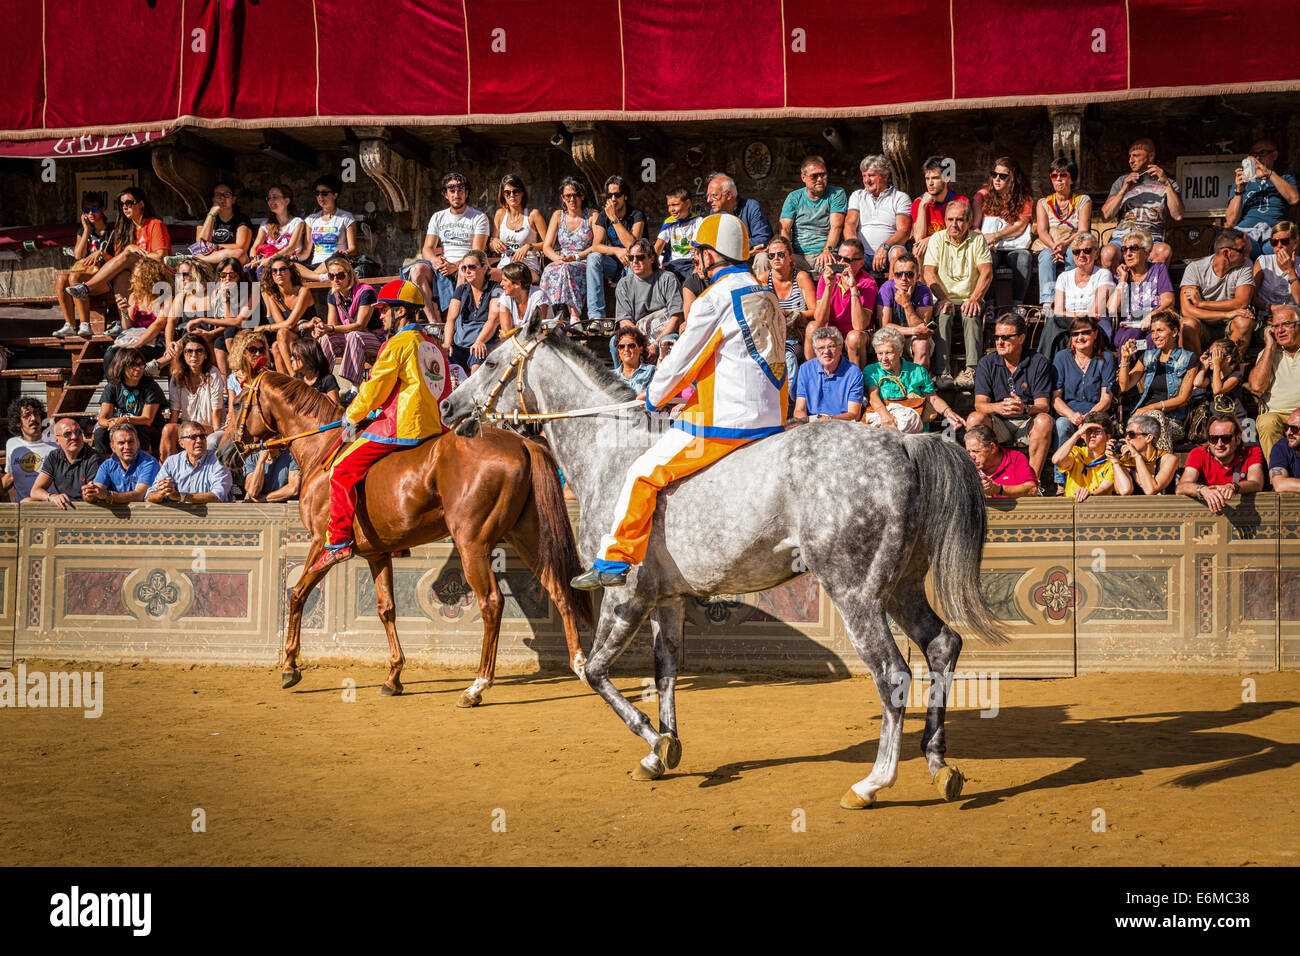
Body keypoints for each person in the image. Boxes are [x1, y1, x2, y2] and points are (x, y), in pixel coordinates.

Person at [572, 213, 786, 589]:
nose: (696, 262)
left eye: (698, 254)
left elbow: (682, 361)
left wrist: (653, 398)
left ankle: (614, 561)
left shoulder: (713, 299)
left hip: (726, 422)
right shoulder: (764, 292)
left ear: (709, 256)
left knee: (641, 472)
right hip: (771, 417)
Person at [308, 279, 452, 571]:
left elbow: (375, 390)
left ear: (401, 312)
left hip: (402, 426)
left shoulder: (397, 343)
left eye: (385, 310)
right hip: (436, 426)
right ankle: (394, 542)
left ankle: (336, 542)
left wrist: (352, 416)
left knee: (342, 470)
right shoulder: (431, 345)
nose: (381, 315)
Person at [968, 313, 1054, 479]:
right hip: (999, 423)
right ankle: (982, 478)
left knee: (1044, 420)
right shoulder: (987, 363)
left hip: (1028, 422)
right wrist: (998, 407)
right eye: (997, 337)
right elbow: (979, 404)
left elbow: (1044, 405)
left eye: (1006, 337)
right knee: (974, 419)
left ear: (1021, 338)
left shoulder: (1038, 361)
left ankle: (1031, 482)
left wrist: (1025, 408)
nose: (1000, 342)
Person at [923, 200, 992, 389]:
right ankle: (942, 373)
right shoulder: (937, 238)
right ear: (945, 220)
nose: (954, 224)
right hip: (944, 296)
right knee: (943, 315)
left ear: (969, 221)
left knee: (971, 314)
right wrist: (943, 297)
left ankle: (972, 370)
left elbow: (986, 272)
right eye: (950, 219)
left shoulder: (978, 239)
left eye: (960, 220)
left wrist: (975, 298)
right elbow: (929, 272)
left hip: (971, 297)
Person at [406, 171, 487, 324]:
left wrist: (455, 266)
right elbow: (427, 249)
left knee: (465, 270)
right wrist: (435, 260)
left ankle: (454, 324)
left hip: (465, 264)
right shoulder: (438, 217)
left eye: (460, 190)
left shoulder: (478, 217)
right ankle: (435, 323)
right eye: (452, 190)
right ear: (446, 194)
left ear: (466, 193)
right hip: (443, 266)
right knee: (416, 270)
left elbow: (477, 253)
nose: (456, 194)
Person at [66, 187, 171, 305]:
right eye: (122, 204)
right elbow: (117, 263)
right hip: (135, 275)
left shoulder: (154, 224)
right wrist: (120, 251)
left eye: (129, 203)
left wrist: (131, 253)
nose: (125, 207)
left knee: (127, 255)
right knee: (121, 275)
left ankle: (86, 288)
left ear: (141, 204)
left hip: (158, 274)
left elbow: (161, 258)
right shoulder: (125, 231)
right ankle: (125, 321)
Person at [1099, 137, 1184, 273]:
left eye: (1136, 156)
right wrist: (1123, 190)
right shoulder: (1122, 181)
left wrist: (1166, 184)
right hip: (1123, 237)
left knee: (1163, 251)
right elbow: (1105, 216)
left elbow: (1178, 215)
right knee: (1108, 253)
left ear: (1150, 157)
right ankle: (1112, 292)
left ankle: (1153, 292)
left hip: (1151, 238)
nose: (1130, 160)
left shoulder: (1169, 183)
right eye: (1130, 156)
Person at [1051, 318, 1116, 489]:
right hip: (1070, 414)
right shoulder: (1062, 357)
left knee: (1098, 428)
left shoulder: (1106, 358)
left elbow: (1106, 399)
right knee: (1061, 425)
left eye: (1085, 332)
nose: (1080, 337)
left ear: (1095, 334)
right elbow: (1056, 398)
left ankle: (1100, 478)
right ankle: (1060, 482)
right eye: (1075, 334)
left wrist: (1090, 417)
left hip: (1097, 413)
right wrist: (1071, 415)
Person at [1118, 308, 1196, 451]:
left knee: (1155, 418)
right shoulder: (1148, 356)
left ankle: (1163, 470)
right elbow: (1125, 386)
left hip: (1172, 422)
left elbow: (1183, 399)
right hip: (1141, 419)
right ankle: (1156, 469)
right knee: (1146, 424)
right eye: (1152, 331)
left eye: (1160, 330)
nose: (1155, 336)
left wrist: (1149, 408)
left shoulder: (1188, 358)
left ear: (1174, 332)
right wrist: (1125, 359)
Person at [861, 327, 961, 433]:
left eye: (889, 353)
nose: (884, 358)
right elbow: (873, 396)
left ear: (900, 352)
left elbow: (932, 398)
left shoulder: (917, 371)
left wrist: (948, 412)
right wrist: (885, 415)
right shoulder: (872, 370)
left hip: (914, 428)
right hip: (886, 424)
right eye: (880, 353)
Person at [1179, 227, 1255, 354]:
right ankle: (1197, 369)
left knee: (1244, 322)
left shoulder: (1245, 264)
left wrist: (1202, 304)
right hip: (1203, 324)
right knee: (1187, 324)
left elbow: (1241, 303)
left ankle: (1227, 368)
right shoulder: (1195, 268)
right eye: (1242, 250)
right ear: (1226, 252)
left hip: (1229, 325)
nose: (1247, 254)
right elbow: (1187, 310)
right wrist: (1226, 314)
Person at [584, 175, 647, 325]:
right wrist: (617, 251)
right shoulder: (602, 216)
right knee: (593, 258)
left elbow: (632, 245)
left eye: (617, 195)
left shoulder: (636, 215)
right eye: (609, 195)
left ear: (625, 196)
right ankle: (596, 317)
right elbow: (596, 245)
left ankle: (630, 317)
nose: (613, 199)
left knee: (633, 260)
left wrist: (614, 220)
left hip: (635, 263)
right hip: (615, 263)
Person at [972, 156, 1034, 306]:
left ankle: (1016, 304)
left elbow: (1020, 226)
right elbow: (974, 226)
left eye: (1002, 176)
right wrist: (985, 240)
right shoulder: (982, 195)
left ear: (1013, 178)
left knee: (1024, 258)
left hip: (1015, 246)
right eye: (994, 175)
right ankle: (990, 303)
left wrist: (995, 236)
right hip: (991, 246)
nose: (997, 179)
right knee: (987, 260)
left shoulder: (1024, 198)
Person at [539, 177, 600, 325]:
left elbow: (597, 245)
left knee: (566, 269)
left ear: (582, 196)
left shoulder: (592, 215)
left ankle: (574, 316)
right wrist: (557, 258)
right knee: (548, 270)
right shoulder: (558, 216)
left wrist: (575, 257)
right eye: (568, 196)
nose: (572, 199)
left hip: (583, 259)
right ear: (563, 198)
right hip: (562, 259)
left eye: (576, 195)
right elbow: (547, 246)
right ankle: (546, 315)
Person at [1176, 413, 1266, 513]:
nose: (1219, 444)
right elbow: (1181, 487)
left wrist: (1233, 487)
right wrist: (1202, 490)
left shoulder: (1252, 452)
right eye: (1213, 439)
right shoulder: (1198, 454)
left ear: (1238, 439)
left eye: (1225, 438)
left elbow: (1257, 483)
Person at [609, 238, 683, 360]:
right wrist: (643, 343)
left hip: (664, 332)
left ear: (652, 258)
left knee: (669, 341)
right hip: (638, 334)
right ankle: (622, 379)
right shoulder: (624, 284)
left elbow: (676, 317)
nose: (635, 261)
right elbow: (624, 321)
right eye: (631, 258)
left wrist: (656, 344)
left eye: (640, 257)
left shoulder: (668, 279)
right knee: (615, 342)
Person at [1034, 157, 1092, 310]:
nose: (1058, 180)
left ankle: (1070, 299)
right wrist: (1055, 247)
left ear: (1071, 179)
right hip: (1050, 245)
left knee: (1074, 257)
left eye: (1063, 175)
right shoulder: (1043, 203)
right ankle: (1048, 301)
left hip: (1073, 243)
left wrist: (1065, 245)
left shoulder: (1083, 200)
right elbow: (1041, 231)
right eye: (1054, 176)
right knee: (1046, 257)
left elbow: (1083, 230)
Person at [758, 235, 816, 388]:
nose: (776, 258)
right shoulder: (763, 279)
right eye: (771, 255)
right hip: (771, 337)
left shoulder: (801, 277)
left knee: (787, 356)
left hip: (795, 336)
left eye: (781, 254)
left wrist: (790, 313)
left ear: (790, 257)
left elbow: (814, 311)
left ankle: (791, 401)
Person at [1041, 235, 1114, 356]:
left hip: (1095, 329)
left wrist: (1071, 316)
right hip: (1069, 328)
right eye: (1076, 252)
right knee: (1060, 334)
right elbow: (1058, 311)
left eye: (1086, 251)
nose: (1081, 255)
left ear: (1096, 254)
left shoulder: (1103, 275)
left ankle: (1041, 367)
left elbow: (1095, 313)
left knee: (1054, 325)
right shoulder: (1064, 277)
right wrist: (1081, 315)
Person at [313, 255, 380, 387]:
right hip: (350, 340)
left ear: (349, 275)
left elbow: (360, 325)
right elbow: (332, 325)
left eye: (340, 275)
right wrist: (321, 329)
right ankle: (322, 382)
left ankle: (355, 387)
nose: (336, 279)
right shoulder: (333, 294)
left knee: (354, 335)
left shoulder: (365, 292)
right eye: (331, 276)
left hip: (375, 338)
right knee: (326, 338)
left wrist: (331, 328)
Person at [1224, 139, 1299, 257]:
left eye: (1262, 153)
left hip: (1274, 234)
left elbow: (1294, 199)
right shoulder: (1242, 183)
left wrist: (1268, 173)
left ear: (1274, 155)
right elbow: (1231, 221)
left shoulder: (1284, 179)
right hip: (1247, 233)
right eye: (1254, 155)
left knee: (1284, 246)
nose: (1258, 158)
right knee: (1235, 243)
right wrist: (1239, 190)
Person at [1106, 227, 1175, 352]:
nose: (1128, 253)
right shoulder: (1121, 276)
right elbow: (1112, 308)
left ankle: (1142, 370)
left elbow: (1169, 301)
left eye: (1134, 248)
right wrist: (1122, 280)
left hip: (1154, 327)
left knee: (1152, 340)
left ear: (1147, 252)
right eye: (1124, 249)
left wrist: (1151, 317)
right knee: (1132, 337)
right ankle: (1127, 370)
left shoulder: (1158, 270)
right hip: (1128, 330)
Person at [159, 332, 227, 460]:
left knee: (192, 433)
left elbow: (216, 411)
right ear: (183, 355)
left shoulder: (213, 373)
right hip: (187, 429)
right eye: (189, 351)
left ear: (206, 354)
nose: (194, 355)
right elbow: (174, 413)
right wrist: (175, 435)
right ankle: (165, 472)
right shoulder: (177, 376)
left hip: (209, 427)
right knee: (168, 429)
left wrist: (217, 433)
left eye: (198, 351)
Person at [811, 238, 876, 367]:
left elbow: (859, 326)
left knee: (854, 337)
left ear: (861, 263)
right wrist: (829, 286)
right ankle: (815, 376)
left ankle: (855, 382)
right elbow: (819, 319)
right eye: (838, 257)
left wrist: (853, 288)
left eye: (847, 260)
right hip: (832, 330)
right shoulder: (827, 278)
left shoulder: (868, 283)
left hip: (857, 333)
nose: (840, 263)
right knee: (812, 327)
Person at [53, 201, 114, 338]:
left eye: (94, 209)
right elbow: (78, 255)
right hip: (87, 275)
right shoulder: (83, 231)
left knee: (74, 278)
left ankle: (85, 324)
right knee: (61, 279)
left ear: (103, 209)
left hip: (106, 279)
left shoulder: (112, 231)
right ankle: (70, 325)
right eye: (86, 210)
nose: (91, 213)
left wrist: (102, 254)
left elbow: (120, 259)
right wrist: (86, 230)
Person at [1248, 306, 1300, 463]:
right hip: (1277, 415)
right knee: (1266, 422)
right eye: (1275, 326)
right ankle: (1278, 475)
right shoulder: (1267, 354)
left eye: (1286, 324)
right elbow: (1257, 386)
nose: (1280, 330)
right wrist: (1269, 347)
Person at [780, 155, 847, 275]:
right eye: (814, 176)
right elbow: (784, 228)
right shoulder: (794, 197)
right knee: (765, 260)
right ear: (803, 177)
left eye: (823, 175)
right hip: (798, 256)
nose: (820, 179)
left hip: (826, 253)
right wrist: (786, 252)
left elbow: (836, 226)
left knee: (837, 270)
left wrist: (828, 250)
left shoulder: (836, 194)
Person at [844, 155, 911, 273]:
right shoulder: (857, 196)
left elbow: (904, 232)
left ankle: (892, 291)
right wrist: (855, 249)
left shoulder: (900, 198)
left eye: (871, 175)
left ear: (885, 175)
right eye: (864, 176)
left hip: (889, 254)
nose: (866, 180)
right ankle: (852, 290)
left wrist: (884, 247)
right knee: (847, 256)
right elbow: (849, 225)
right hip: (862, 255)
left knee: (898, 252)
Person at [94, 348, 165, 457]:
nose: (137, 369)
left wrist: (126, 420)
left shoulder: (150, 386)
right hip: (121, 426)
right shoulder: (113, 386)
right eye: (132, 365)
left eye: (140, 364)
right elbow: (102, 419)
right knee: (100, 433)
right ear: (121, 366)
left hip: (147, 428)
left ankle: (143, 467)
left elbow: (147, 419)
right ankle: (107, 465)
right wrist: (110, 423)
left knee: (138, 430)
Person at [146, 421, 233, 504]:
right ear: (181, 443)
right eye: (193, 437)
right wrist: (161, 493)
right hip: (180, 517)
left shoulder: (218, 460)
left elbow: (217, 496)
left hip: (214, 516)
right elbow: (149, 496)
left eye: (202, 436)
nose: (199, 440)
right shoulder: (171, 462)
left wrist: (180, 496)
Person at [442, 250, 501, 372]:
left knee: (477, 360)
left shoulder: (496, 289)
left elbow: (493, 320)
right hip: (460, 343)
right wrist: (447, 343)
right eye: (463, 268)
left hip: (485, 340)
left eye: (472, 267)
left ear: (484, 268)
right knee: (445, 360)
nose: (467, 271)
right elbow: (450, 319)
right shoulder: (461, 290)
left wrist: (480, 341)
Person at [874, 252, 935, 369]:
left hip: (914, 337)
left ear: (917, 276)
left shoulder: (924, 291)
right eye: (898, 274)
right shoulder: (887, 289)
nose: (903, 278)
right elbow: (885, 326)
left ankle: (917, 384)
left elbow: (921, 329)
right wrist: (913, 330)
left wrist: (906, 304)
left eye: (909, 274)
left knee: (922, 343)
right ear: (893, 276)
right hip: (891, 336)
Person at [25, 419, 101, 509]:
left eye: (78, 432)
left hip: (87, 506)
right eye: (67, 434)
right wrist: (52, 497)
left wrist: (89, 493)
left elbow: (93, 496)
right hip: (64, 504)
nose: (74, 437)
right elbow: (35, 491)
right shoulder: (54, 456)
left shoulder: (94, 458)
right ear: (57, 440)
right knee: (26, 502)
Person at [260, 254, 317, 373]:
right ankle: (286, 386)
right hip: (292, 335)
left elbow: (289, 325)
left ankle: (293, 376)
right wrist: (301, 325)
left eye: (283, 269)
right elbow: (283, 326)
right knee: (276, 346)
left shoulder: (303, 292)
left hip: (309, 336)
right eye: (274, 271)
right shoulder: (273, 296)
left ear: (290, 272)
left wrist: (265, 327)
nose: (278, 273)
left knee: (281, 336)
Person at [793, 326, 864, 422]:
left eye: (831, 346)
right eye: (821, 348)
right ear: (815, 351)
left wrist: (829, 419)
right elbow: (799, 409)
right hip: (812, 422)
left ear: (840, 347)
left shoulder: (853, 372)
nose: (826, 351)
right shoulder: (805, 369)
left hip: (841, 423)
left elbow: (854, 414)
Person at [490, 173, 549, 285]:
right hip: (505, 265)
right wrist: (494, 242)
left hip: (527, 267)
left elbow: (548, 244)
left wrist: (529, 246)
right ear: (502, 195)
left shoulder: (533, 215)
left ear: (522, 193)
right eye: (507, 192)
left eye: (515, 191)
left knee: (515, 275)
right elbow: (492, 246)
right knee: (482, 274)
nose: (512, 195)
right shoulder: (500, 214)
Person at [705, 173, 773, 271]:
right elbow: (713, 245)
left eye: (714, 195)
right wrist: (742, 251)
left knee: (763, 258)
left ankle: (763, 287)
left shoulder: (751, 207)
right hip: (729, 259)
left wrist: (732, 248)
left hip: (752, 258)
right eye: (708, 196)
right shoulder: (714, 215)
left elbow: (762, 239)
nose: (708, 200)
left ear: (728, 195)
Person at [178, 180, 252, 267]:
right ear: (213, 199)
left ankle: (191, 259)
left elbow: (242, 246)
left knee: (239, 253)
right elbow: (201, 245)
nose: (222, 198)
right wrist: (211, 215)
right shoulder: (206, 218)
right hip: (210, 258)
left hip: (230, 262)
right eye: (218, 195)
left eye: (227, 194)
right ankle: (193, 260)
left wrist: (214, 246)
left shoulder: (242, 219)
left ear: (233, 199)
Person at [84, 422, 159, 505]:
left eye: (131, 442)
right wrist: (89, 494)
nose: (127, 447)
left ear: (138, 443)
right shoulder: (107, 465)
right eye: (121, 443)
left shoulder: (149, 463)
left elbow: (140, 496)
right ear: (112, 447)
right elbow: (97, 490)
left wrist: (108, 495)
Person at [1050, 412, 1118, 502]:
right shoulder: (1077, 452)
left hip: (1097, 506)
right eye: (1088, 431)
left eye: (1097, 431)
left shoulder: (1112, 458)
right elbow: (1057, 460)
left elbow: (1104, 488)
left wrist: (1089, 494)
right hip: (1071, 506)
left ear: (1107, 437)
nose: (1092, 435)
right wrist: (1077, 434)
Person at [299, 175, 358, 281]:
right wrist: (294, 258)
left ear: (335, 195)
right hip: (316, 266)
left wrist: (344, 253)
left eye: (324, 193)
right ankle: (321, 277)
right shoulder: (311, 219)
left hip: (335, 263)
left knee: (337, 257)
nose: (320, 197)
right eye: (317, 193)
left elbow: (353, 249)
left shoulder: (346, 217)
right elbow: (306, 252)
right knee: (288, 265)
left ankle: (311, 277)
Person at [911, 155, 969, 261]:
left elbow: (963, 233)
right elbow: (919, 238)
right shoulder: (919, 203)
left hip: (954, 247)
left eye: (935, 178)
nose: (930, 183)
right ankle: (922, 278)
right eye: (927, 178)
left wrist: (932, 239)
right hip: (930, 252)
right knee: (917, 249)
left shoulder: (961, 202)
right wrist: (923, 206)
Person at [1189, 337, 1248, 438]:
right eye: (1209, 355)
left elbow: (1218, 390)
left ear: (1227, 359)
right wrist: (1204, 366)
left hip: (1237, 419)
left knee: (1249, 445)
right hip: (1217, 421)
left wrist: (1216, 366)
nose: (1211, 359)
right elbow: (1197, 383)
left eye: (1214, 355)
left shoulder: (1236, 375)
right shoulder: (1212, 377)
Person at [246, 183, 307, 278]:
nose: (271, 201)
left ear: (286, 201)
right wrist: (254, 260)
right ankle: (251, 293)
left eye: (275, 197)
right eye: (269, 198)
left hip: (287, 263)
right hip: (266, 261)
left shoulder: (297, 222)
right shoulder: (266, 224)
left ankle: (265, 293)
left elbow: (291, 248)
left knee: (263, 270)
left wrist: (270, 259)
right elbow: (254, 247)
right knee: (247, 270)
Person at [1112, 413, 1179, 495]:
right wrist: (1114, 460)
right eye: (1126, 434)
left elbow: (1150, 490)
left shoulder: (1168, 459)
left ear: (1148, 438)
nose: (1127, 438)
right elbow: (1124, 490)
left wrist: (1137, 457)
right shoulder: (1125, 461)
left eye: (1132, 434)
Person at [2, 398, 55, 503]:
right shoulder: (12, 444)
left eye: (36, 414)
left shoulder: (55, 444)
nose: (33, 418)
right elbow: (11, 476)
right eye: (27, 416)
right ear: (18, 422)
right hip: (20, 508)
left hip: (50, 505)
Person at [964, 425, 1037, 498]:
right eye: (968, 452)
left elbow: (1032, 489)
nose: (971, 457)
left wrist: (999, 489)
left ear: (992, 448)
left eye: (976, 451)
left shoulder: (1015, 459)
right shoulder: (965, 465)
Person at [1251, 221, 1300, 318]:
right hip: (1267, 316)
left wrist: (1290, 270)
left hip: (1293, 318)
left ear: (1295, 243)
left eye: (1284, 241)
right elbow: (1251, 296)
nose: (1279, 246)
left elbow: (1298, 300)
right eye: (1274, 242)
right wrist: (1271, 307)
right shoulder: (1263, 262)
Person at [655, 186, 702, 282]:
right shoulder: (669, 223)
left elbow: (700, 247)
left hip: (691, 263)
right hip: (674, 264)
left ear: (687, 204)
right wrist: (654, 263)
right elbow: (659, 246)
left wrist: (699, 265)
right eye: (669, 205)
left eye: (675, 205)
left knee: (694, 279)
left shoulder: (698, 222)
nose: (671, 209)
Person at [491, 261, 549, 336]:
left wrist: (509, 334)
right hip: (521, 342)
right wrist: (506, 334)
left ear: (517, 284)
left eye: (505, 280)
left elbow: (536, 330)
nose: (501, 284)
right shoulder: (505, 298)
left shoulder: (538, 296)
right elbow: (506, 334)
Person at [289, 337, 342, 405]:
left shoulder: (327, 379)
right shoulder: (297, 378)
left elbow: (335, 408)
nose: (291, 358)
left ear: (307, 357)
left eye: (295, 355)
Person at [612, 327, 655, 400]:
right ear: (618, 351)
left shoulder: (651, 371)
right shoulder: (611, 376)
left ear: (640, 349)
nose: (626, 349)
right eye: (621, 346)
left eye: (631, 346)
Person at [1267, 409, 1300, 492]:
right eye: (1286, 427)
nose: (1288, 433)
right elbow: (1279, 484)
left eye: (1294, 429)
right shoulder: (1281, 447)